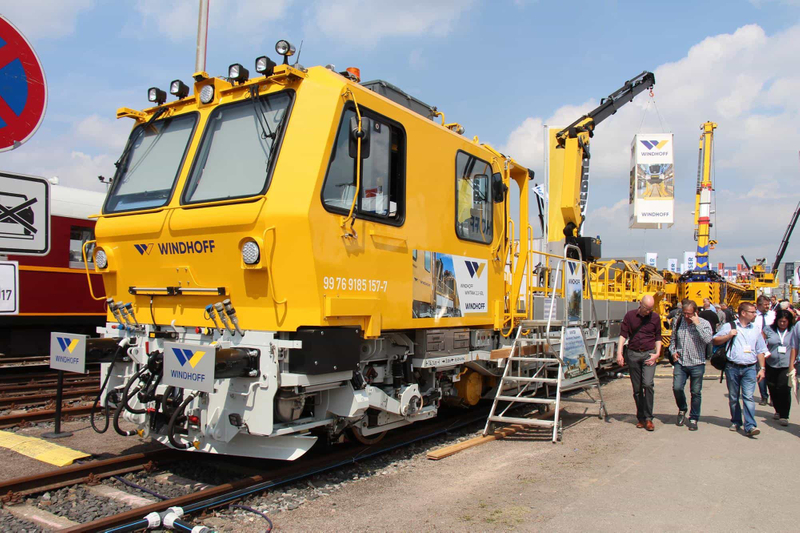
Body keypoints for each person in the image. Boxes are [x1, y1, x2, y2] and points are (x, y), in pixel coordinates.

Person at [713, 302, 769, 437]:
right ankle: (736, 421)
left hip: (750, 368)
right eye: (752, 312)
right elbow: (715, 340)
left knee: (748, 397)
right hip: (732, 367)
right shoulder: (729, 326)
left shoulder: (755, 329)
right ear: (743, 313)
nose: (755, 314)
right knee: (733, 397)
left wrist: (762, 369)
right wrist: (728, 336)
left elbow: (761, 350)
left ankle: (750, 425)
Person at [616, 295, 662, 431]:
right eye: (646, 309)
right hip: (633, 354)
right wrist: (619, 353)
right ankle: (641, 418)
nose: (648, 312)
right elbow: (623, 335)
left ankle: (649, 418)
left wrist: (657, 353)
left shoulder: (655, 318)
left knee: (647, 384)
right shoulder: (630, 316)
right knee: (637, 389)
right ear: (640, 304)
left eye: (650, 309)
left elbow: (658, 336)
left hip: (649, 354)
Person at [670, 300, 713, 430]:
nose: (687, 317)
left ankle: (694, 418)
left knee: (695, 392)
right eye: (685, 314)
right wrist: (673, 352)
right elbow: (673, 340)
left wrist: (697, 324)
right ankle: (682, 408)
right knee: (677, 387)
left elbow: (708, 340)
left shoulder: (704, 323)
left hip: (697, 363)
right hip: (681, 362)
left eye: (689, 314)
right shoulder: (678, 322)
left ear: (696, 312)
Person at [763, 309, 795, 426]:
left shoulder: (793, 331)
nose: (782, 324)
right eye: (780, 321)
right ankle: (777, 409)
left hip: (787, 364)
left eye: (785, 322)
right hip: (771, 362)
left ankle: (784, 415)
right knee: (772, 386)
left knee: (784, 388)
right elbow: (762, 342)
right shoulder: (768, 329)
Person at [755, 295, 775, 405]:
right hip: (758, 349)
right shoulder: (754, 316)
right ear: (758, 305)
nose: (767, 307)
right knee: (760, 371)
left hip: (772, 348)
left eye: (768, 304)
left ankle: (773, 396)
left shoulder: (773, 315)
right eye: (765, 305)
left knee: (771, 374)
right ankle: (764, 396)